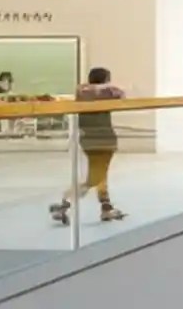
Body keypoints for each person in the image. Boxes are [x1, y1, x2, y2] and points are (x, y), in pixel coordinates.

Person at [49, 67, 126, 224]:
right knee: (94, 179)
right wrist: (106, 86)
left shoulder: (82, 92)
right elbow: (121, 95)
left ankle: (106, 208)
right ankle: (65, 203)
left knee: (100, 175)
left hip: (87, 139)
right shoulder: (107, 92)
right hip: (104, 140)